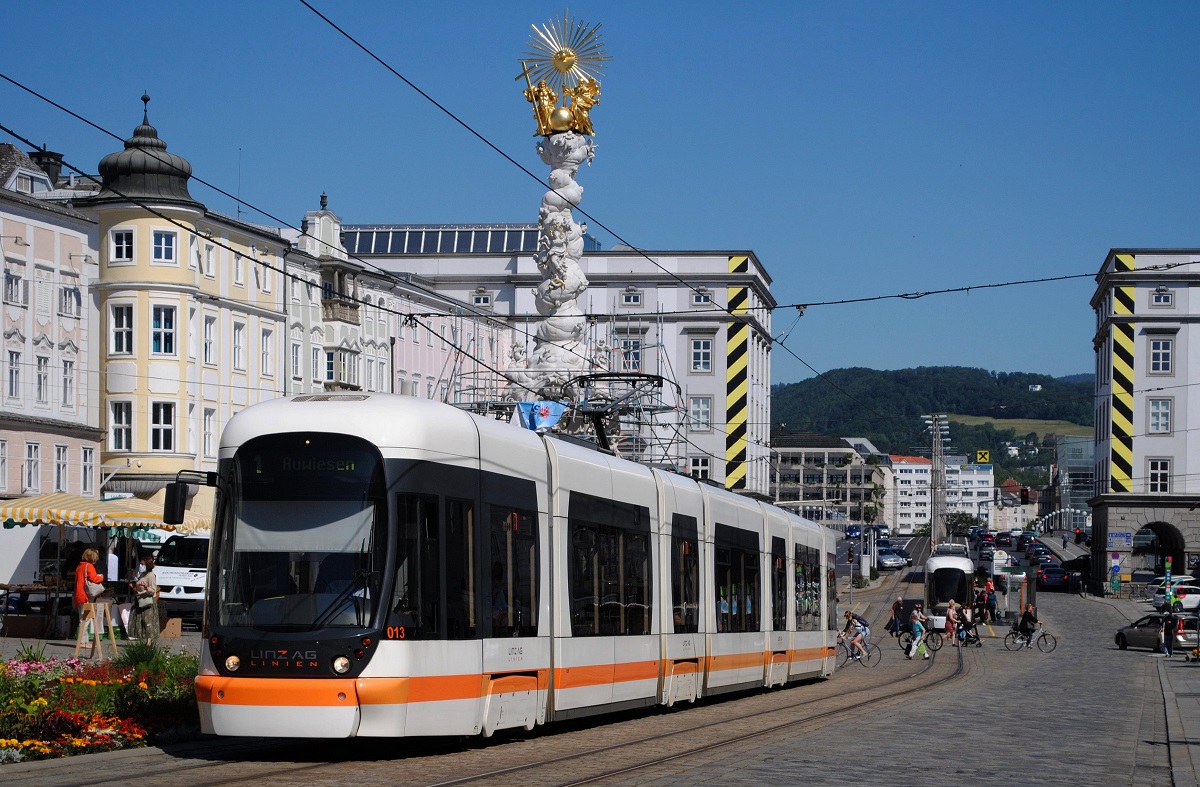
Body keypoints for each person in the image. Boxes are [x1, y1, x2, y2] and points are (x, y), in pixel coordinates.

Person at [72, 548, 106, 656]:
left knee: (82, 618)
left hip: (78, 595)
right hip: (85, 596)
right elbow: (95, 579)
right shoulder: (89, 566)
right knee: (85, 619)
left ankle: (84, 641)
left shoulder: (79, 567)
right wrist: (101, 577)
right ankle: (83, 641)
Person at [127, 555, 159, 645]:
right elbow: (139, 588)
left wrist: (146, 587)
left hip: (147, 601)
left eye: (142, 564)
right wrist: (134, 586)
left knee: (147, 621)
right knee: (139, 620)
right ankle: (143, 639)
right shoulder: (143, 574)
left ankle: (149, 641)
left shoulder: (151, 575)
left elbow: (153, 590)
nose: (140, 566)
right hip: (139, 599)